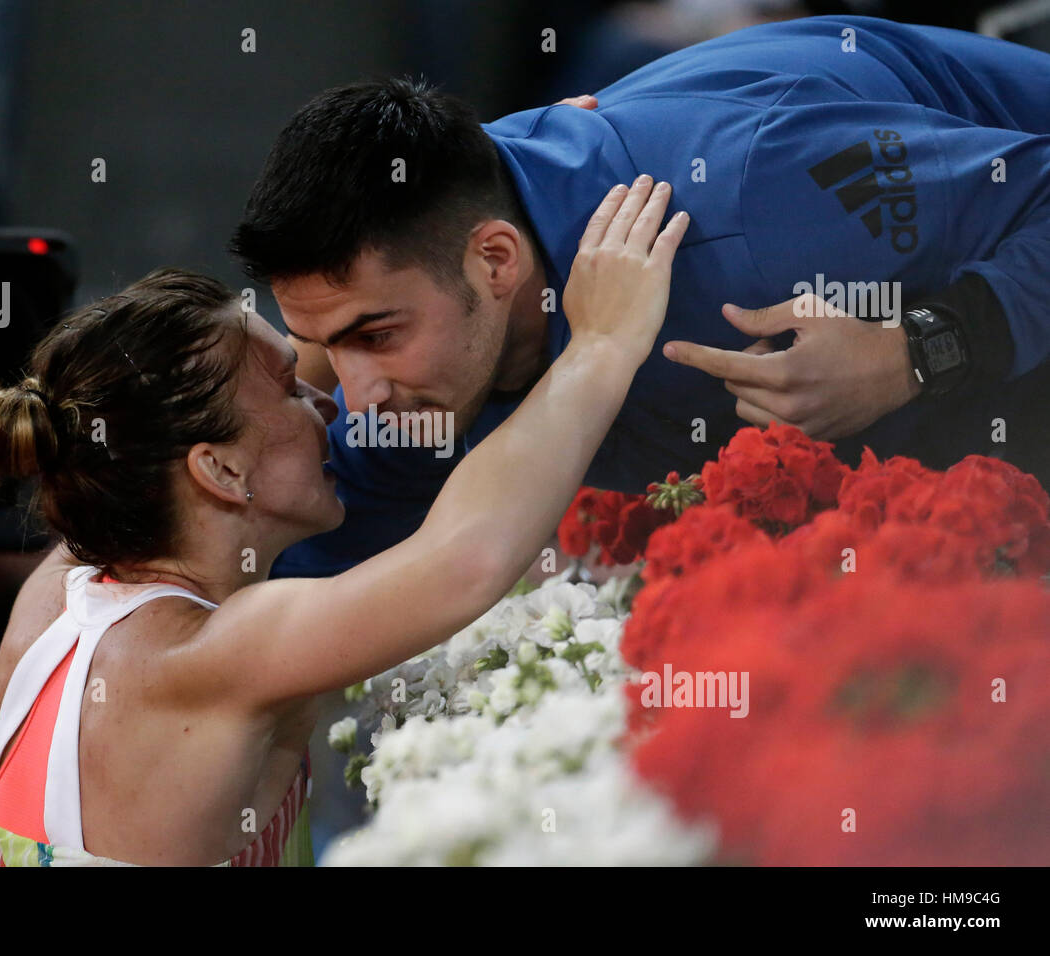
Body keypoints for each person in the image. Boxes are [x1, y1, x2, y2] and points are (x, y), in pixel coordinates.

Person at [0, 179, 688, 866]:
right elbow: (466, 559)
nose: (332, 402)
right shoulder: (217, 652)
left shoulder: (50, 603)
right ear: (218, 470)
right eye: (290, 387)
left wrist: (485, 174)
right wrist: (604, 345)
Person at [228, 15, 1050, 580]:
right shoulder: (443, 282)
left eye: (372, 336)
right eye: (326, 346)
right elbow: (310, 556)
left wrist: (919, 349)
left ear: (497, 262)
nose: (358, 397)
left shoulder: (757, 203)